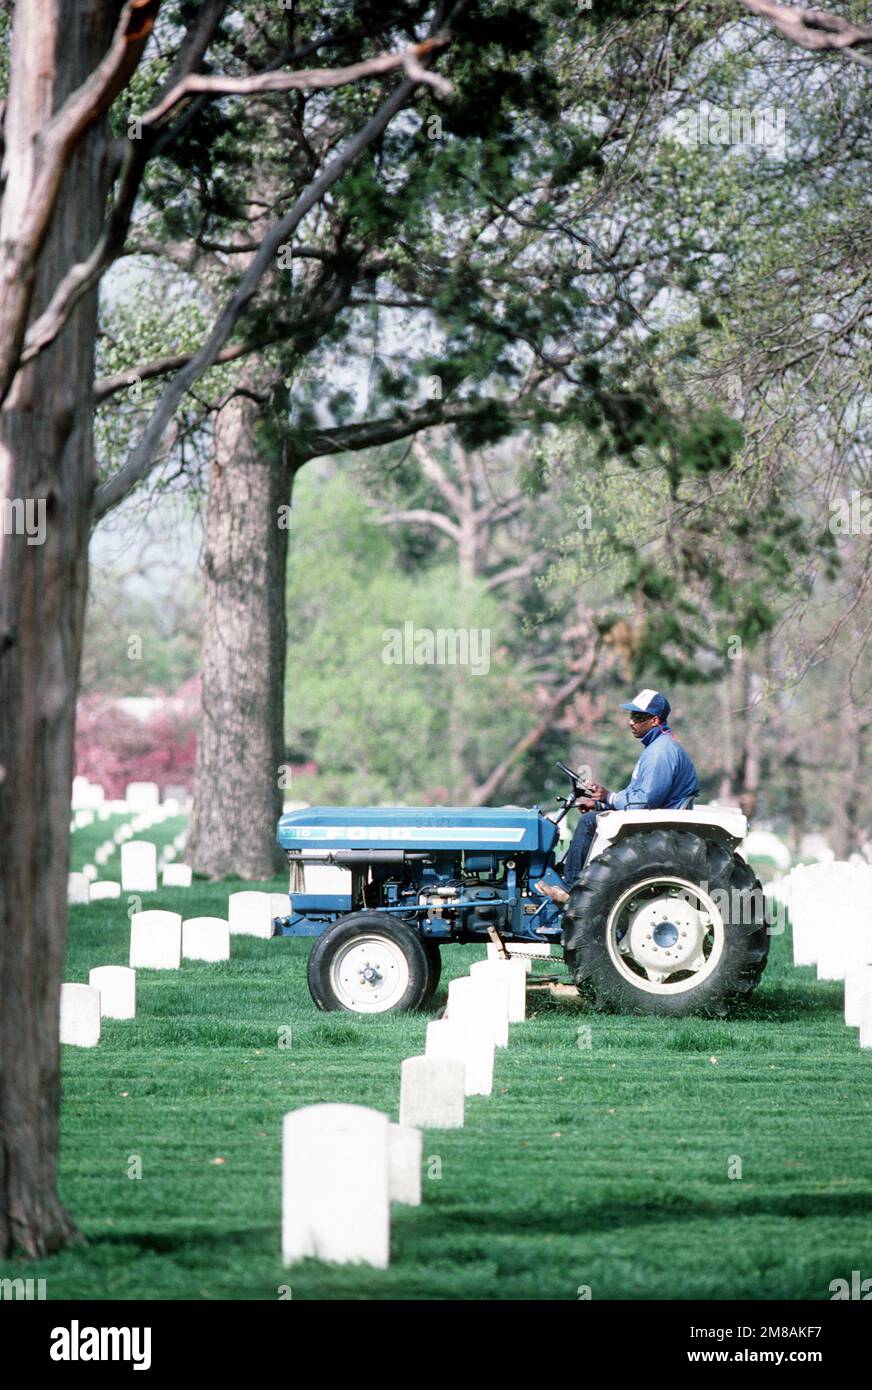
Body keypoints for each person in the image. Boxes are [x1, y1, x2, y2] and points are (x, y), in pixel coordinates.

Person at [536, 688, 700, 905]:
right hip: (655, 817)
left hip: (658, 825)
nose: (631, 722)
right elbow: (636, 795)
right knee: (593, 816)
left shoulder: (662, 751)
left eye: (638, 717)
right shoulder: (656, 747)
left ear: (655, 720)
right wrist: (602, 801)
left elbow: (645, 801)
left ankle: (569, 887)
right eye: (631, 716)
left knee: (588, 823)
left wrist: (609, 798)